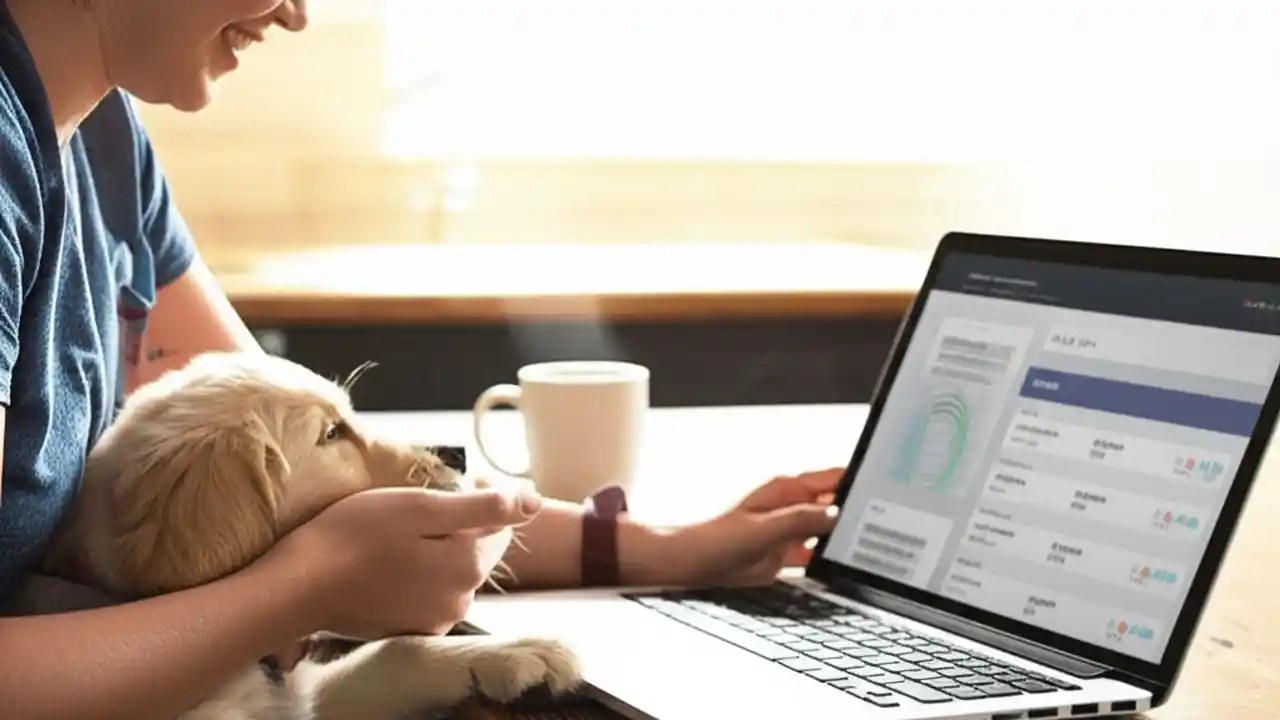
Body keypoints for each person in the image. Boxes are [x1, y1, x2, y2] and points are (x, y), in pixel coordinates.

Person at [0, 1, 842, 718]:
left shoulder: (106, 144)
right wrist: (298, 591)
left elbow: (313, 451)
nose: (296, 12)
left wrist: (668, 548)